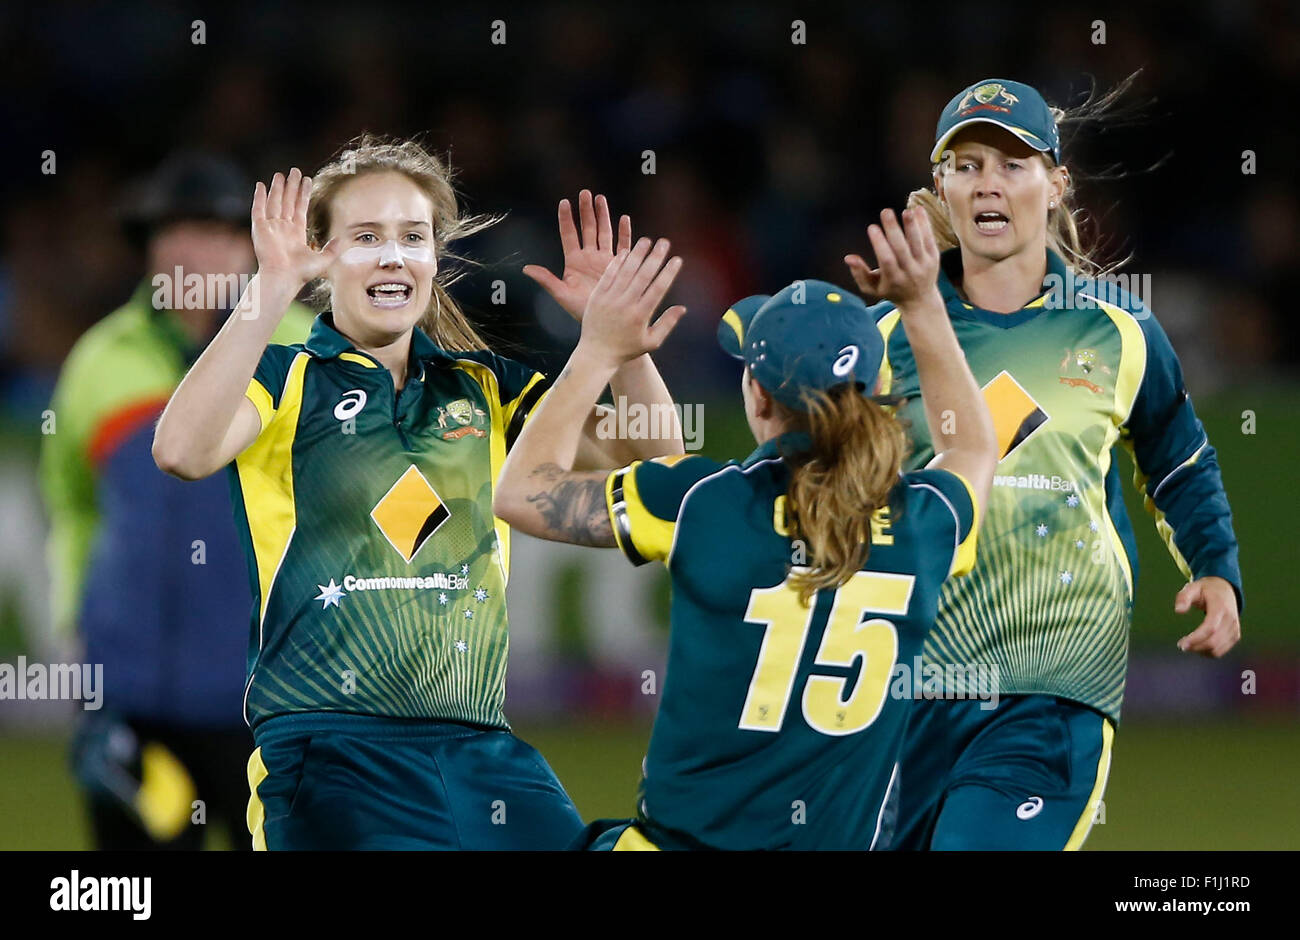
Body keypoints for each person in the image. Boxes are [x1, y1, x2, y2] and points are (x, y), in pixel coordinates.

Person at [151, 136, 683, 850]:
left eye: (413, 236)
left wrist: (621, 349)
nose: (393, 256)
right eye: (365, 237)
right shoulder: (286, 379)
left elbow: (660, 466)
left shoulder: (486, 388)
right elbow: (181, 450)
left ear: (436, 257)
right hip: (329, 753)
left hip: (481, 753)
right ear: (323, 256)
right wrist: (271, 283)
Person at [494, 209, 998, 850]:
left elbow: (520, 491)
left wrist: (600, 348)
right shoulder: (925, 523)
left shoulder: (707, 504)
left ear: (757, 396)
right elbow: (973, 449)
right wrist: (923, 306)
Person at [845, 79, 1245, 850]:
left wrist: (1216, 566)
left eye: (1013, 162)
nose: (988, 181)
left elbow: (1179, 457)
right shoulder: (883, 336)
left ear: (1056, 184)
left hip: (1052, 684)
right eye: (965, 165)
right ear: (941, 188)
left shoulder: (1118, 330)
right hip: (902, 693)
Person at [39, 152, 314, 849]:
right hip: (128, 691)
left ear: (247, 248)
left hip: (269, 693)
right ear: (148, 249)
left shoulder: (305, 350)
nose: (191, 250)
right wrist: (76, 622)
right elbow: (73, 507)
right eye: (172, 232)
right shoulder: (99, 361)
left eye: (215, 232)